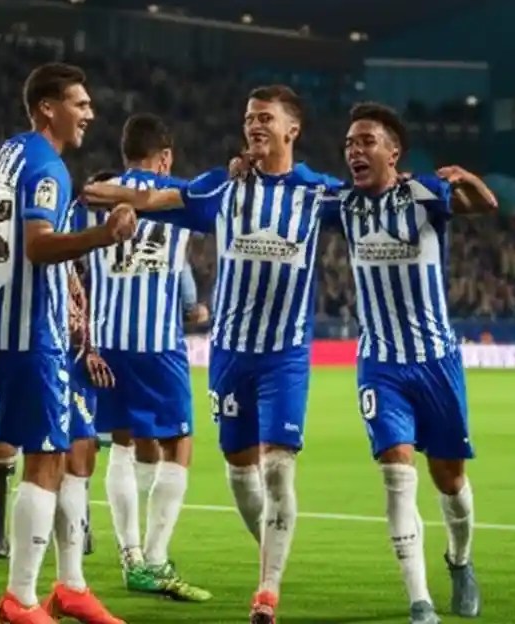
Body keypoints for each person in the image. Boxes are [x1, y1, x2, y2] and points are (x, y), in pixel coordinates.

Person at [82, 86, 340, 624]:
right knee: (238, 470)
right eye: (248, 117)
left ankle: (266, 587)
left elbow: (372, 199)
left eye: (265, 117)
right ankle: (254, 551)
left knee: (276, 470)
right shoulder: (223, 187)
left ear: (292, 129)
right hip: (228, 352)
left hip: (285, 353)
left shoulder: (318, 192)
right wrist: (98, 196)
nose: (254, 125)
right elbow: (159, 202)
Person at [320, 102, 496, 624]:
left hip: (436, 360)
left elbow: (484, 206)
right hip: (380, 363)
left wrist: (466, 177)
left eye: (366, 141)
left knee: (449, 479)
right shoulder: (343, 203)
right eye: (350, 143)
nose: (355, 150)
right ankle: (419, 601)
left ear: (393, 151)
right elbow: (289, 191)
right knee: (397, 472)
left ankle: (460, 564)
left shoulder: (424, 194)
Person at [0, 62, 136, 624]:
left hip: (30, 327)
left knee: (79, 449)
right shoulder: (48, 166)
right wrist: (104, 235)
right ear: (49, 107)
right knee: (46, 457)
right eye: (81, 102)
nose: (90, 112)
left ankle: (70, 587)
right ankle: (20, 598)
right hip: (30, 335)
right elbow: (38, 246)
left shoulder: (10, 152)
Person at [76, 115, 210, 602]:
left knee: (124, 443)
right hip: (158, 344)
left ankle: (130, 555)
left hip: (108, 340)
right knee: (180, 444)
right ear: (165, 156)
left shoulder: (96, 195)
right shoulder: (179, 193)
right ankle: (154, 558)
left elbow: (73, 260)